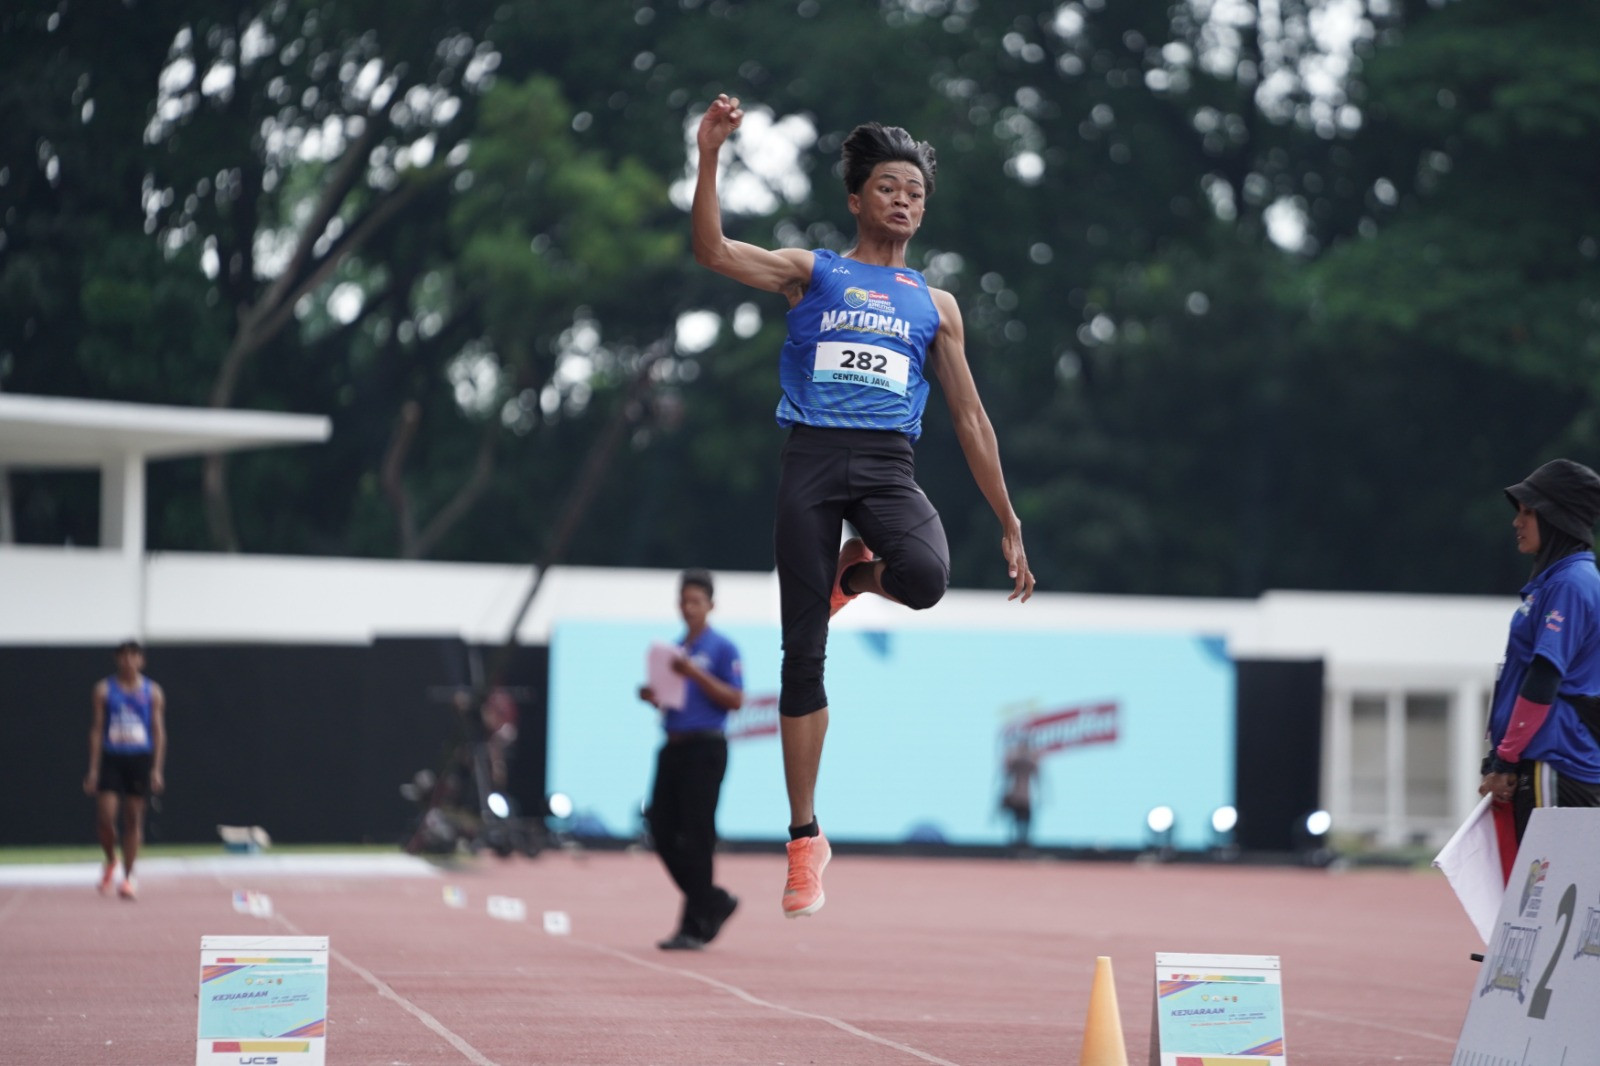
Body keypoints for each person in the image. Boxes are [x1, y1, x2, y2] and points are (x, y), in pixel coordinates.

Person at [692, 94, 1036, 918]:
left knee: (925, 577)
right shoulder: (813, 272)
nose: (903, 200)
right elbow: (712, 251)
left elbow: (970, 418)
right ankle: (804, 840)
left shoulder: (934, 305)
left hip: (887, 467)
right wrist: (708, 155)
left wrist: (1009, 521)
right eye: (888, 186)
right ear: (856, 199)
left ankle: (859, 573)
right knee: (801, 655)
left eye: (915, 191)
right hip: (811, 462)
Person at [1479, 459, 1600, 873]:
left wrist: (1505, 760)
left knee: (1544, 891)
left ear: (1556, 518)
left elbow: (1544, 678)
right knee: (1544, 891)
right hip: (1548, 756)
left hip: (1554, 758)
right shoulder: (1559, 581)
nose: (1517, 522)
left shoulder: (1570, 583)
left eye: (1528, 511)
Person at [637, 568, 745, 950]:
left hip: (705, 747)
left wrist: (695, 674)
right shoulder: (673, 649)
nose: (689, 608)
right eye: (684, 601)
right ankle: (711, 900)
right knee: (661, 828)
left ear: (710, 605)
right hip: (673, 744)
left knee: (697, 834)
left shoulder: (722, 648)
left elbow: (735, 699)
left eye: (696, 601)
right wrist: (654, 695)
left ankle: (694, 924)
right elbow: (673, 698)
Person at [84, 640, 166, 900]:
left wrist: (156, 769)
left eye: (133, 656)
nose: (128, 661)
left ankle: (129, 877)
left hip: (139, 759)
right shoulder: (104, 690)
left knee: (133, 818)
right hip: (112, 758)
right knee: (106, 818)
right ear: (117, 659)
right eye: (124, 656)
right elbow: (97, 729)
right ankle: (111, 859)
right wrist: (93, 769)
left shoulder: (152, 692)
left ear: (141, 660)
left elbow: (158, 731)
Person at [1000, 740, 1041, 851]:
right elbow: (1006, 778)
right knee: (1016, 822)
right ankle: (1016, 846)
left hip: (1023, 797)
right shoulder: (1020, 761)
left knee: (1023, 823)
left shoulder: (1024, 762)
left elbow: (1037, 778)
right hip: (1017, 797)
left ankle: (1021, 845)